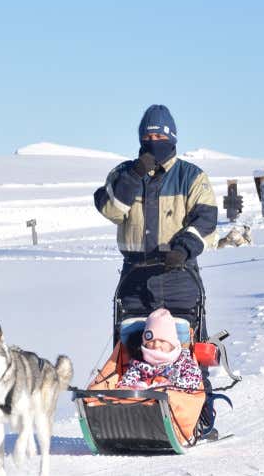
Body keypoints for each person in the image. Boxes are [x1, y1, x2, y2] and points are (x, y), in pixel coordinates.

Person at [93, 104, 218, 328]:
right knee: (129, 350)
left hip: (179, 277)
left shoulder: (192, 177)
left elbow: (205, 220)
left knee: (187, 349)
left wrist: (183, 249)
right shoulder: (123, 173)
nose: (153, 141)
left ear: (172, 137)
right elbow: (110, 210)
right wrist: (134, 175)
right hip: (134, 279)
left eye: (159, 135)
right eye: (148, 136)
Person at [117, 307, 203, 390]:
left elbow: (194, 380)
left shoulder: (183, 360)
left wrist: (169, 385)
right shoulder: (139, 363)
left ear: (172, 343)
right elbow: (127, 382)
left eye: (162, 341)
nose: (156, 345)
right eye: (151, 341)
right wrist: (137, 387)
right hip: (145, 401)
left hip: (171, 399)